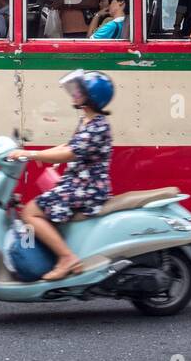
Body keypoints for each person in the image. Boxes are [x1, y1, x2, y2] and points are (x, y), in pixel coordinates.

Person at [8, 70, 115, 281]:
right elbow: (69, 145)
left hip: (86, 189)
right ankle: (40, 251)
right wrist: (40, 154)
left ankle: (66, 258)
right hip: (79, 183)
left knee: (29, 212)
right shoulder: (89, 121)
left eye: (79, 91)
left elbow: (70, 153)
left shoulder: (97, 126)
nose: (74, 94)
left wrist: (31, 154)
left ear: (92, 97)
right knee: (35, 206)